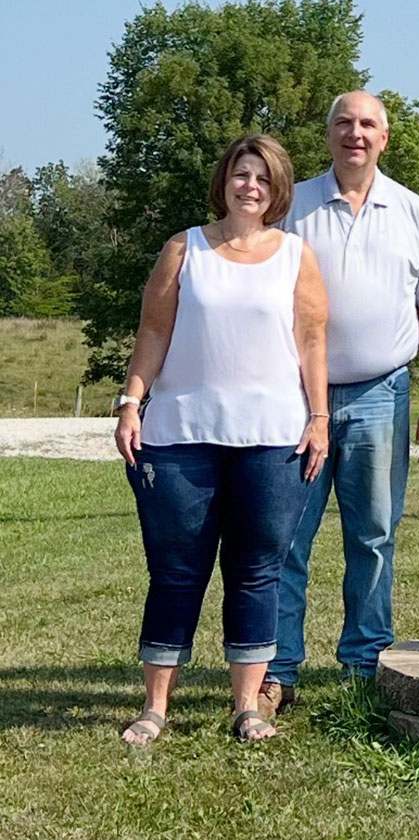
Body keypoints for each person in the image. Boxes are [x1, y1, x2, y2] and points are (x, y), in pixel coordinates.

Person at [115, 133, 328, 745]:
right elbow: (153, 332)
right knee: (175, 571)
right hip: (180, 435)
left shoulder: (296, 256)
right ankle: (155, 707)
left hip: (273, 439)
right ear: (224, 181)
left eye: (263, 177)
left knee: (257, 570)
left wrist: (319, 419)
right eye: (241, 174)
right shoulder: (184, 249)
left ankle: (247, 707)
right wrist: (132, 402)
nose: (250, 186)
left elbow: (313, 342)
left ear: (277, 188)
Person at [260, 90, 419, 716]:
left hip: (383, 394)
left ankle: (364, 663)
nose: (355, 133)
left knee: (373, 535)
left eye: (368, 124)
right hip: (298, 400)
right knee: (287, 537)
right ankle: (279, 667)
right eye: (343, 123)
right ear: (328, 135)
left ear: (384, 138)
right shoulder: (293, 207)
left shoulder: (413, 211)